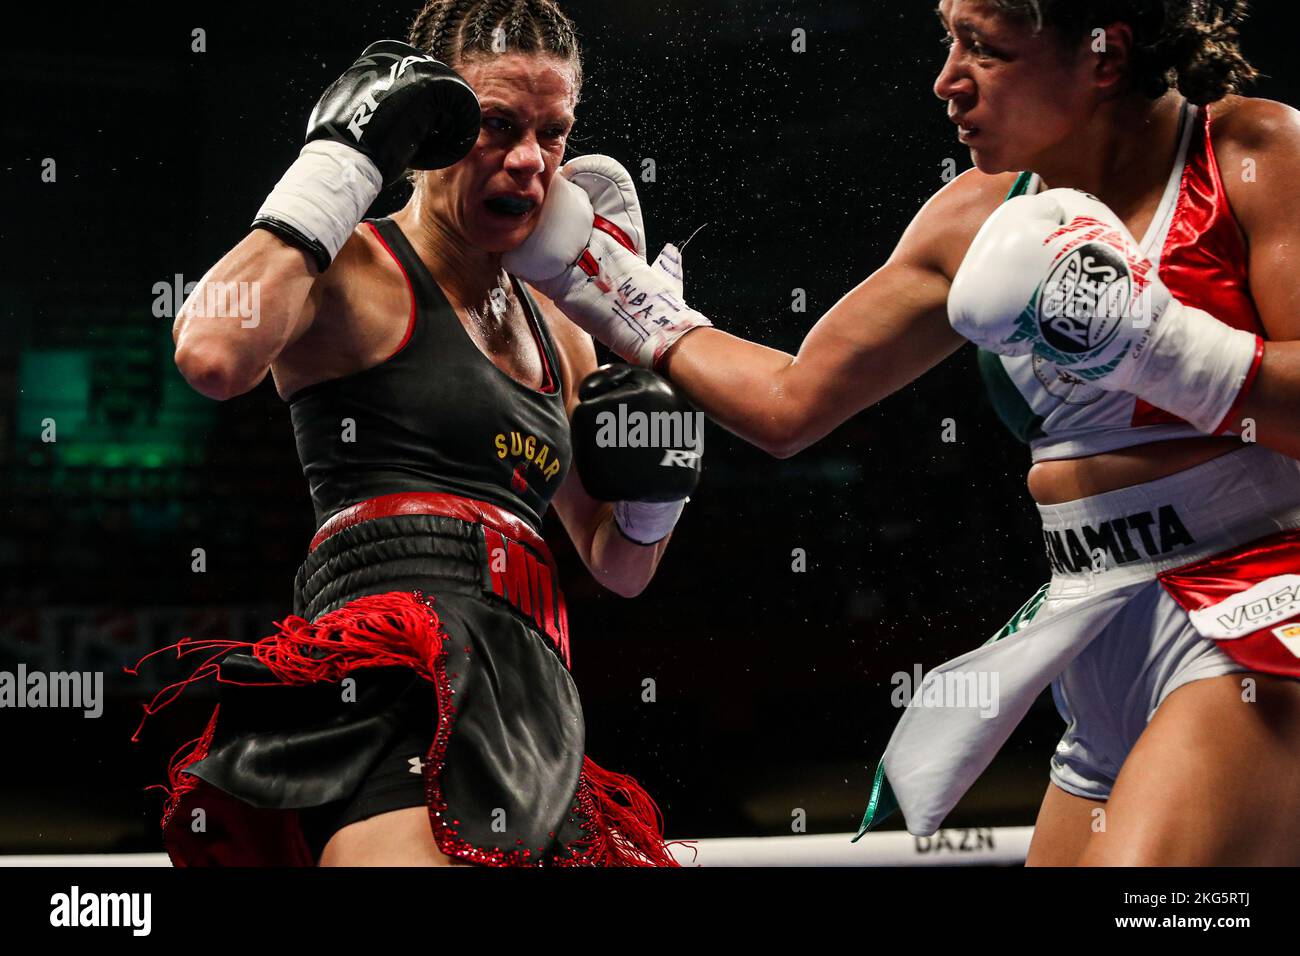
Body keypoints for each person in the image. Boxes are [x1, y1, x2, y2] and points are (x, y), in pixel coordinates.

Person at [504, 0, 1300, 865]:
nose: (947, 81)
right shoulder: (974, 218)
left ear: (1103, 57)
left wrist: (1154, 342)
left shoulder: (1249, 155)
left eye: (985, 50)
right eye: (948, 40)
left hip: (1252, 607)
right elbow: (788, 404)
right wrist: (596, 274)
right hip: (1097, 628)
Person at [140, 0, 702, 867]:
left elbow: (620, 565)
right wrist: (337, 165)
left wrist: (659, 478)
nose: (528, 160)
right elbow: (212, 351)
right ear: (432, 125)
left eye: (552, 134)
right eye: (497, 125)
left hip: (531, 699)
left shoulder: (564, 330)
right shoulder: (354, 265)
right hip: (387, 676)